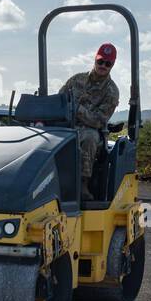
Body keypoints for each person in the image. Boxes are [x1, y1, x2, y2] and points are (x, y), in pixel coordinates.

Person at [59, 42, 120, 200]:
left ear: (112, 65)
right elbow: (59, 100)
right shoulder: (76, 80)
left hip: (92, 130)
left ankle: (82, 184)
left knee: (89, 138)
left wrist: (76, 110)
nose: (103, 66)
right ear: (95, 59)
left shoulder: (111, 91)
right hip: (65, 125)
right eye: (100, 61)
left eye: (108, 63)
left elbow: (99, 120)